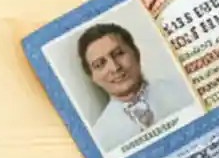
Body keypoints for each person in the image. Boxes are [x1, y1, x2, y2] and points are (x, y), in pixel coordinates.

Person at [77, 22, 194, 150]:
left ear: (136, 53)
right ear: (92, 77)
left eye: (118, 54)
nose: (115, 67)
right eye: (100, 64)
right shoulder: (100, 138)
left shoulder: (184, 90)